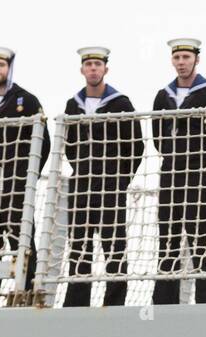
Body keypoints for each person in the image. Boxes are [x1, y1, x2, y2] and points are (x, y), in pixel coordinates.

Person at [61, 47, 143, 309]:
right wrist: (82, 170)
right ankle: (76, 303)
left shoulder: (120, 103)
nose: (93, 68)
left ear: (105, 69)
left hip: (111, 183)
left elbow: (136, 145)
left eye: (98, 64)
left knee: (114, 243)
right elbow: (70, 145)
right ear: (82, 69)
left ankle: (115, 302)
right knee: (79, 244)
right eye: (89, 64)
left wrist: (121, 179)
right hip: (82, 183)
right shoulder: (73, 104)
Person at [151, 39, 206, 305]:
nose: (181, 63)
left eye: (186, 57)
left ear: (197, 59)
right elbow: (158, 137)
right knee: (168, 239)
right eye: (177, 58)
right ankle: (164, 303)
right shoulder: (164, 96)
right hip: (170, 175)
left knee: (202, 238)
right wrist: (173, 158)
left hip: (198, 175)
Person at [0, 46, 50, 310]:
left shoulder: (25, 100)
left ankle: (24, 295)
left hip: (16, 179)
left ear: (8, 69)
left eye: (1, 65)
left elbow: (43, 141)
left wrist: (30, 176)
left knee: (21, 237)